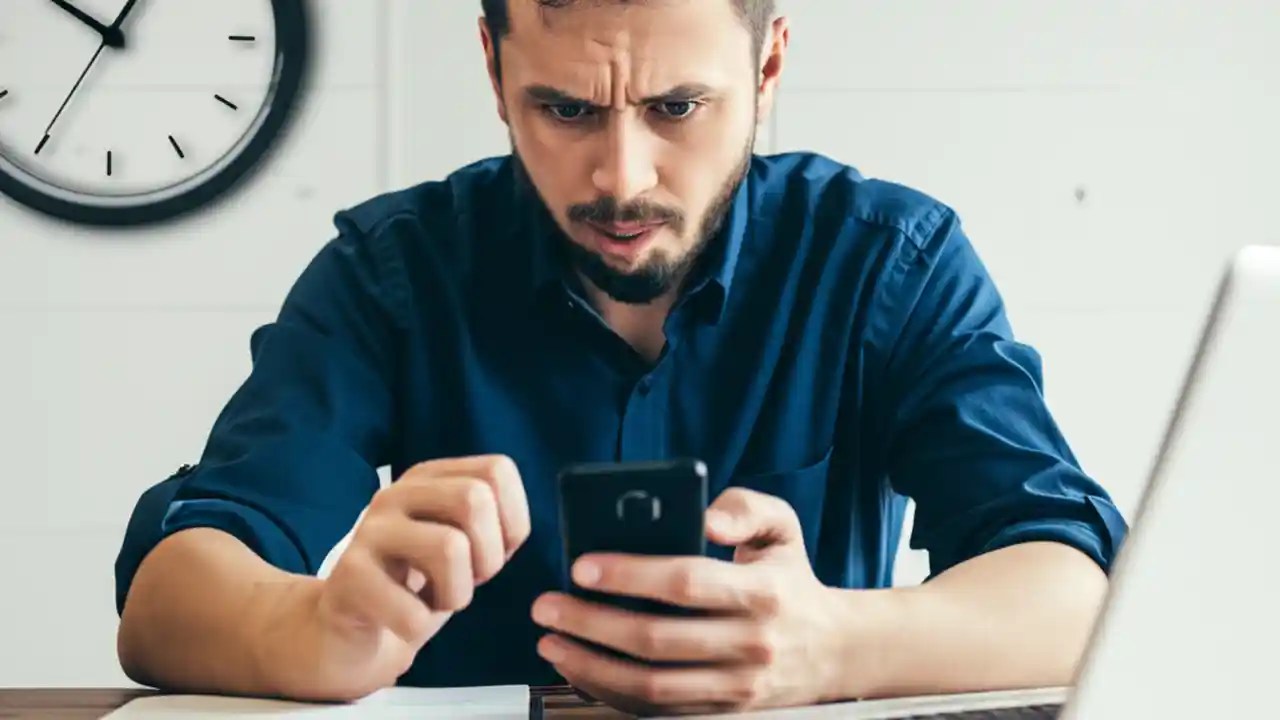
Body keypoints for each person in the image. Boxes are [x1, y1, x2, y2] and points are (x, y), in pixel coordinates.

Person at [113, 0, 1128, 715]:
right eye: (564, 109)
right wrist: (316, 626)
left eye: (676, 107)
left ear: (766, 65)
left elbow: (1076, 594)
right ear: (493, 68)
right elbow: (168, 599)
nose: (620, 178)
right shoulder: (392, 273)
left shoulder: (886, 263)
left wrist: (830, 645)